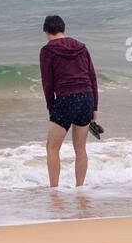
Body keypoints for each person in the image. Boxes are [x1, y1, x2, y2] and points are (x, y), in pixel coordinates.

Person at [39, 15, 99, 188]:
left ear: (46, 31)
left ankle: (54, 191)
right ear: (63, 29)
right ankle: (80, 188)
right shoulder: (81, 47)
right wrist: (94, 106)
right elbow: (92, 77)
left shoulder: (47, 50)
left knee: (52, 148)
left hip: (66, 99)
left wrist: (51, 107)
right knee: (80, 148)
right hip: (86, 97)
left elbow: (47, 82)